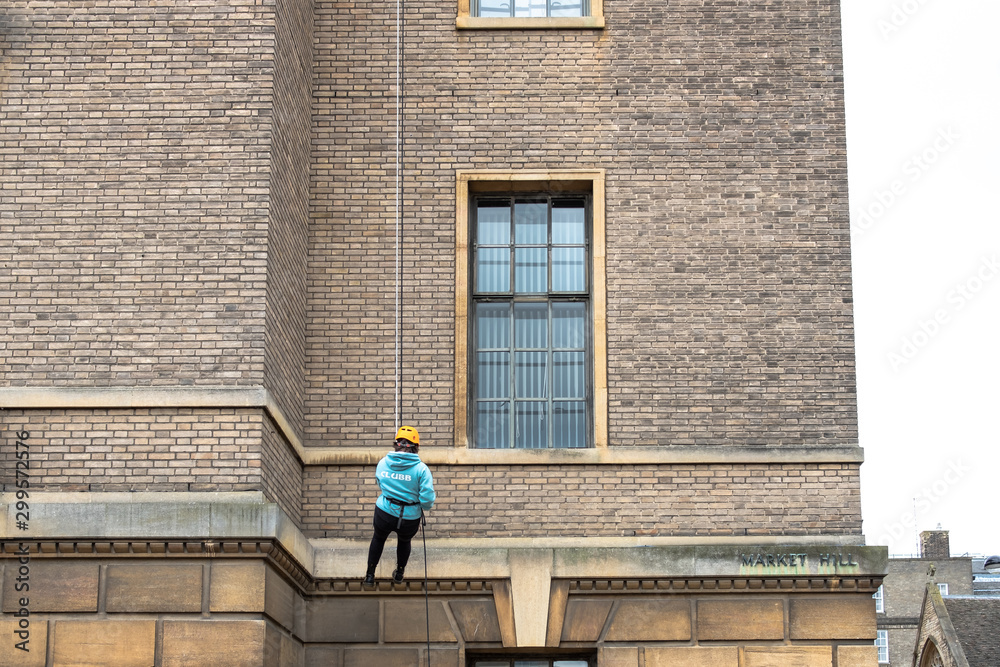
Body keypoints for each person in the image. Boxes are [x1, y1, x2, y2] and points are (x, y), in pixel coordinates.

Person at [364, 425, 435, 586]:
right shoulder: (421, 469)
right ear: (416, 447)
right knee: (404, 541)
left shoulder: (383, 463)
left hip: (385, 512)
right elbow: (427, 496)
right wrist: (424, 506)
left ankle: (370, 575)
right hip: (409, 517)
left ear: (396, 444)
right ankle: (400, 573)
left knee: (378, 538)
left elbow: (380, 483)